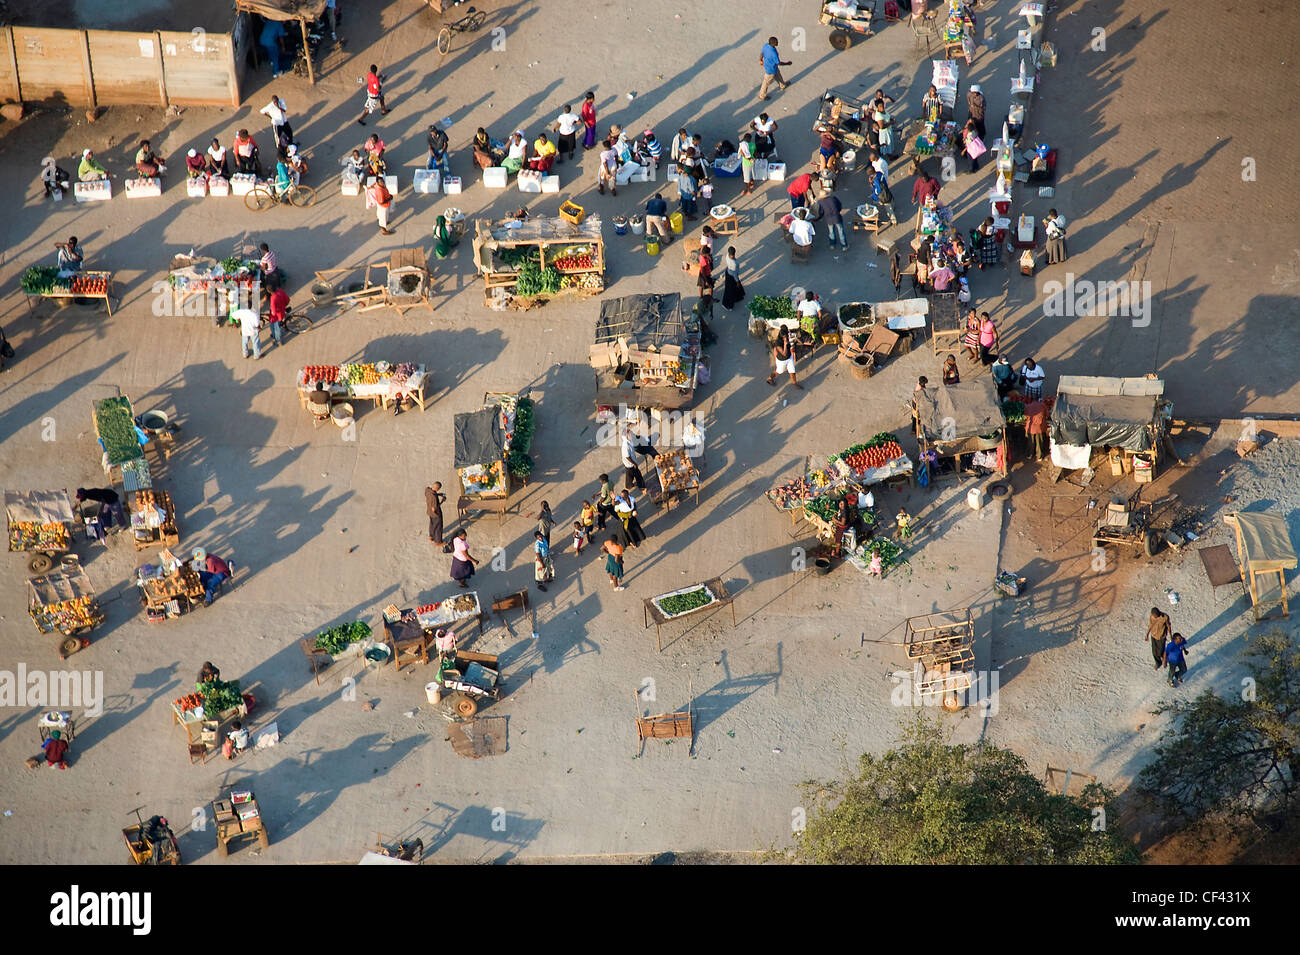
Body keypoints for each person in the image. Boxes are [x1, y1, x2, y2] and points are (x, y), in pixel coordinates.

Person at [758, 35, 791, 100]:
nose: (777, 43)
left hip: (771, 66)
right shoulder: (773, 53)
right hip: (770, 70)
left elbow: (762, 53)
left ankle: (783, 85)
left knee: (778, 76)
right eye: (776, 42)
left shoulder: (766, 45)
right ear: (773, 43)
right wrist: (787, 63)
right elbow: (778, 63)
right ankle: (762, 95)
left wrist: (760, 59)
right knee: (766, 82)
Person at [819, 187, 848, 252]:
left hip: (829, 219)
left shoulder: (821, 202)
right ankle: (844, 246)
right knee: (841, 231)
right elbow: (839, 205)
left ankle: (832, 245)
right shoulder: (833, 198)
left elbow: (821, 212)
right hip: (837, 217)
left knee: (831, 232)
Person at [1024, 396, 1048, 461]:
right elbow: (1046, 415)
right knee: (1039, 442)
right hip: (1039, 427)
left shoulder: (1028, 406)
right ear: (1038, 400)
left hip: (1030, 427)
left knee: (1030, 442)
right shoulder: (1042, 405)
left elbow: (1026, 415)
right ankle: (1039, 456)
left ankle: (1030, 455)